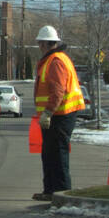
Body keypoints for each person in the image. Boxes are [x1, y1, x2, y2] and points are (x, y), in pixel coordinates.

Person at [31, 25, 84, 201]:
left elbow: (58, 91)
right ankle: (51, 191)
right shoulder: (56, 59)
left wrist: (47, 112)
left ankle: (62, 193)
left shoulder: (56, 62)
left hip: (60, 115)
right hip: (58, 115)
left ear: (46, 43)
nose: (39, 46)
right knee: (49, 153)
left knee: (58, 154)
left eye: (40, 43)